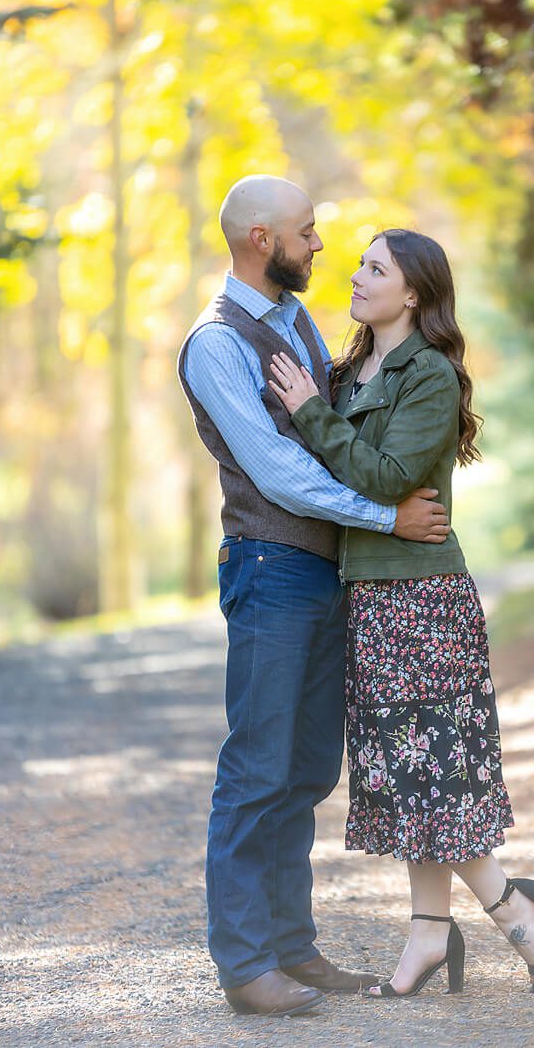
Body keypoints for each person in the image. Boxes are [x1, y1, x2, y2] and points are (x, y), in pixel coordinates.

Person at [269, 227, 534, 999]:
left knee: (430, 778)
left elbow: (386, 475)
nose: (356, 275)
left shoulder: (429, 375)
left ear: (412, 293)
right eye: (360, 263)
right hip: (367, 596)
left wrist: (311, 412)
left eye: (376, 268)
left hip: (422, 599)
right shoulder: (346, 372)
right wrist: (320, 403)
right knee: (409, 778)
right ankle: (431, 936)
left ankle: (510, 908)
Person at [177, 178, 451, 1017]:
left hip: (328, 572)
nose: (319, 247)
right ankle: (245, 963)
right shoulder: (215, 343)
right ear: (261, 239)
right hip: (268, 565)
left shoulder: (293, 322)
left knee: (303, 769)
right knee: (257, 767)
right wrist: (386, 516)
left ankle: (291, 947)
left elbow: (352, 432)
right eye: (306, 233)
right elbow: (279, 470)